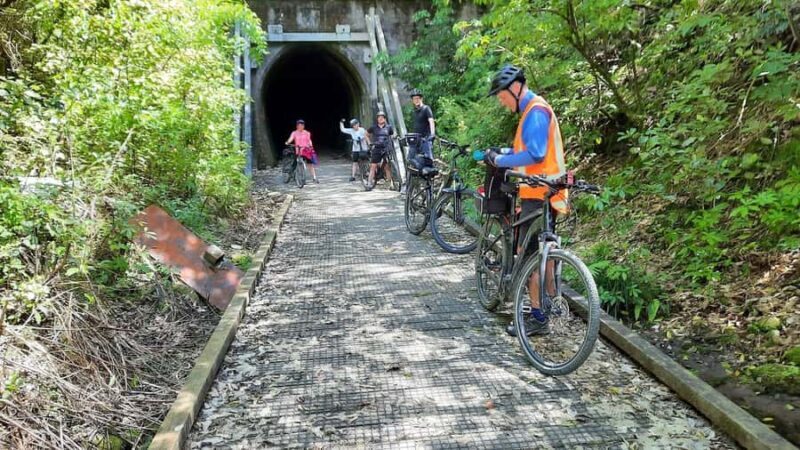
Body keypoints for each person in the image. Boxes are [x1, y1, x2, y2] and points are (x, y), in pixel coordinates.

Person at [482, 64, 569, 337]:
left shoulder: (535, 112)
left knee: (529, 255)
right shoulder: (534, 110)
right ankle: (551, 301)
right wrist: (506, 151)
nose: (502, 101)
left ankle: (537, 316)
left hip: (538, 193)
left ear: (516, 88)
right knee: (545, 251)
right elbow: (525, 149)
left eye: (502, 96)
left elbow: (535, 154)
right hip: (548, 192)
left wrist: (500, 160)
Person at [367, 111, 395, 190]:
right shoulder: (373, 127)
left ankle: (391, 184)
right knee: (373, 166)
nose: (380, 119)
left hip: (385, 148)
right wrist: (369, 143)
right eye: (379, 118)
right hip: (376, 148)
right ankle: (369, 183)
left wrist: (394, 138)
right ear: (377, 119)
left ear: (385, 119)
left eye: (382, 117)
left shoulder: (389, 127)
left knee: (387, 166)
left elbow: (392, 135)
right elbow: (366, 134)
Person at [285, 119, 319, 183]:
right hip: (298, 150)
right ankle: (291, 174)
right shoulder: (294, 133)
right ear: (297, 126)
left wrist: (311, 146)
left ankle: (314, 178)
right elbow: (291, 138)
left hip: (306, 150)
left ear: (303, 126)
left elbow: (309, 140)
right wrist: (287, 142)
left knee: (310, 164)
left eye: (302, 125)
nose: (300, 126)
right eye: (299, 125)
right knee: (296, 163)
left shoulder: (307, 133)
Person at [407, 89, 435, 165]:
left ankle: (430, 170)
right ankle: (420, 170)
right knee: (410, 158)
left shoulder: (426, 108)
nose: (416, 100)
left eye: (417, 98)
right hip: (416, 139)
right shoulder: (414, 111)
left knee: (428, 160)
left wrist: (432, 134)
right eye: (414, 99)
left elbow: (431, 121)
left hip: (425, 138)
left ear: (421, 99)